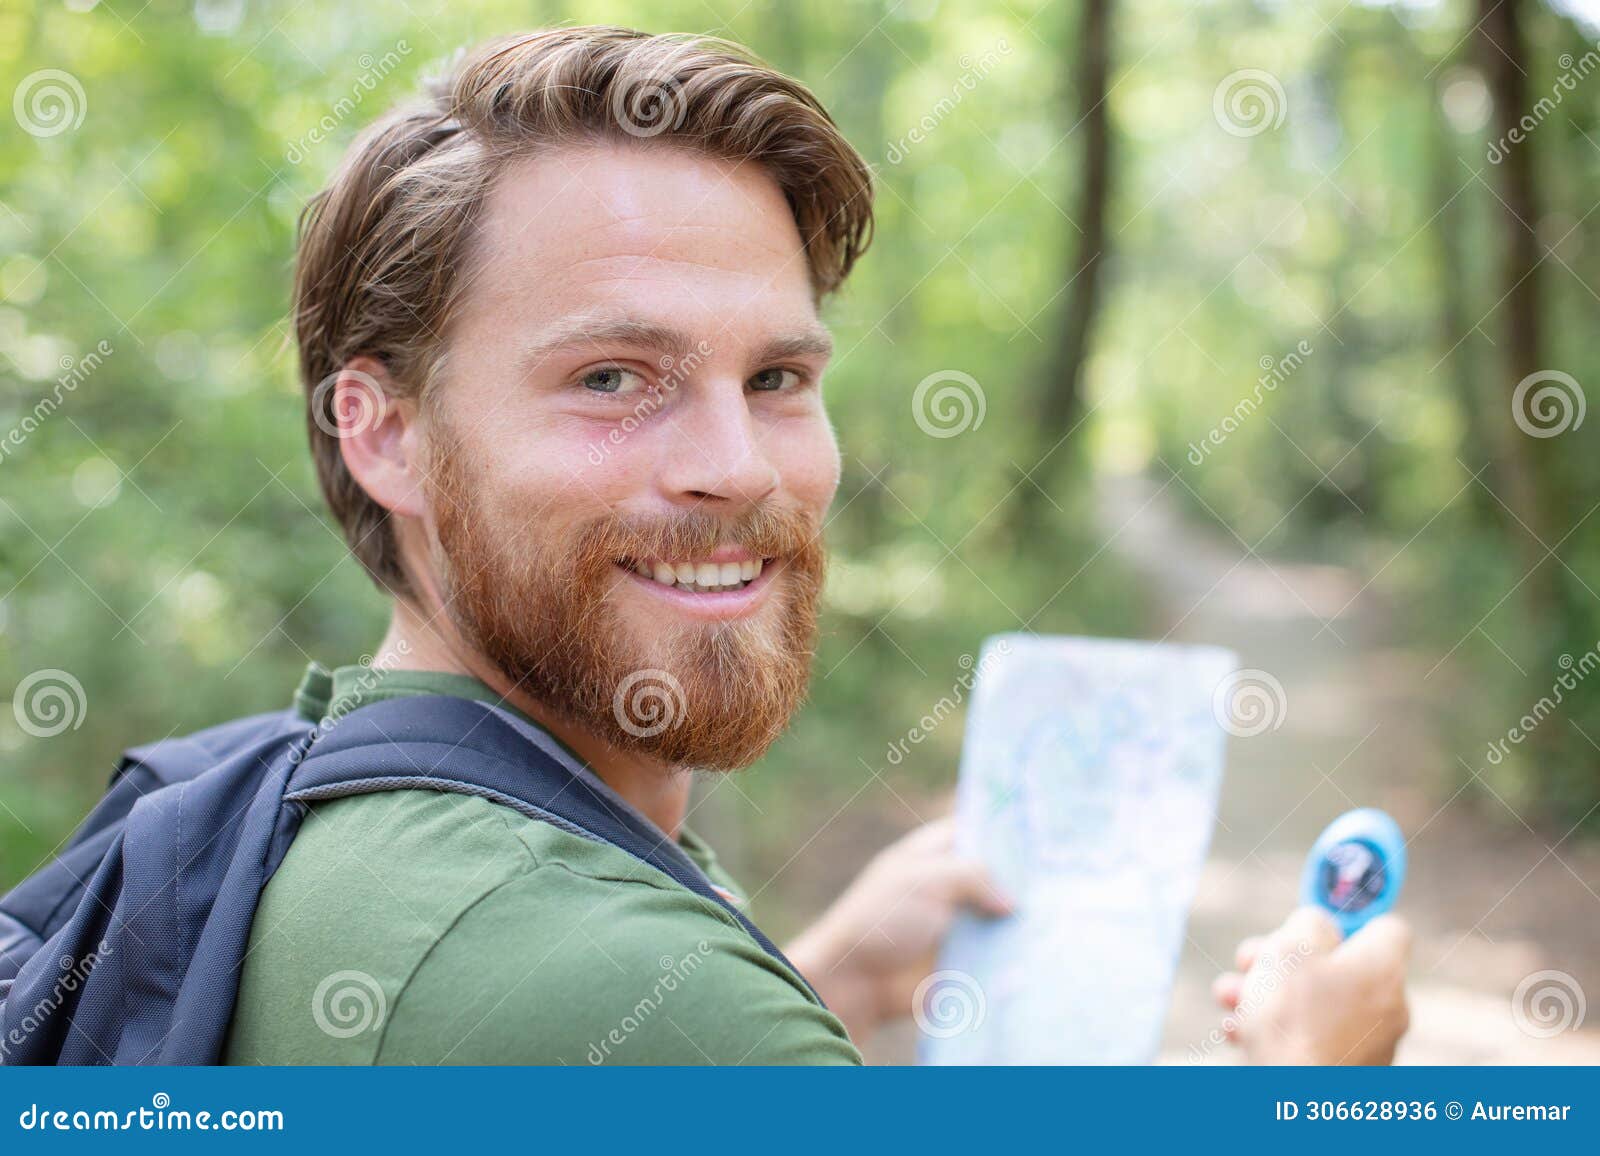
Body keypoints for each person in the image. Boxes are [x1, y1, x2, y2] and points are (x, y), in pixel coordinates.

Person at [220, 26, 1411, 1064]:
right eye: (612, 376)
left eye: (777, 375)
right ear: (385, 437)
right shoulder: (604, 983)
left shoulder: (314, 805)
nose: (737, 466)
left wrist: (820, 976)